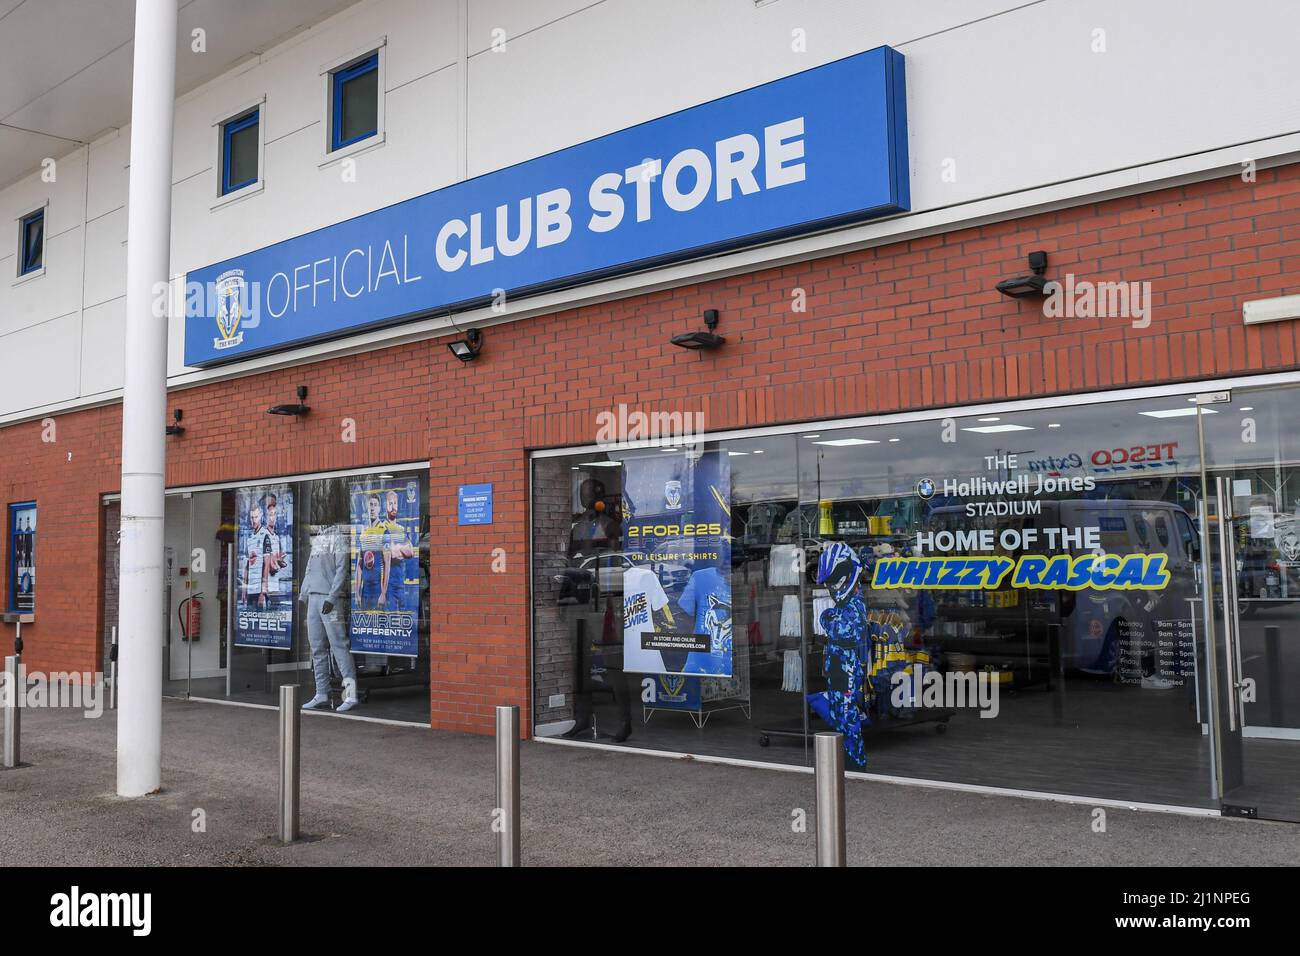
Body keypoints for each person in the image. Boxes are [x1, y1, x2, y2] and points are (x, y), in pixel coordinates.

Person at [300, 523, 359, 712]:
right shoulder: (317, 541)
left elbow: (342, 570)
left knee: (339, 646)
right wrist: (303, 594)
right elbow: (309, 569)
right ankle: (322, 693)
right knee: (316, 647)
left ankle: (350, 695)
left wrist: (332, 597)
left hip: (330, 600)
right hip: (314, 598)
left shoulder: (339, 540)